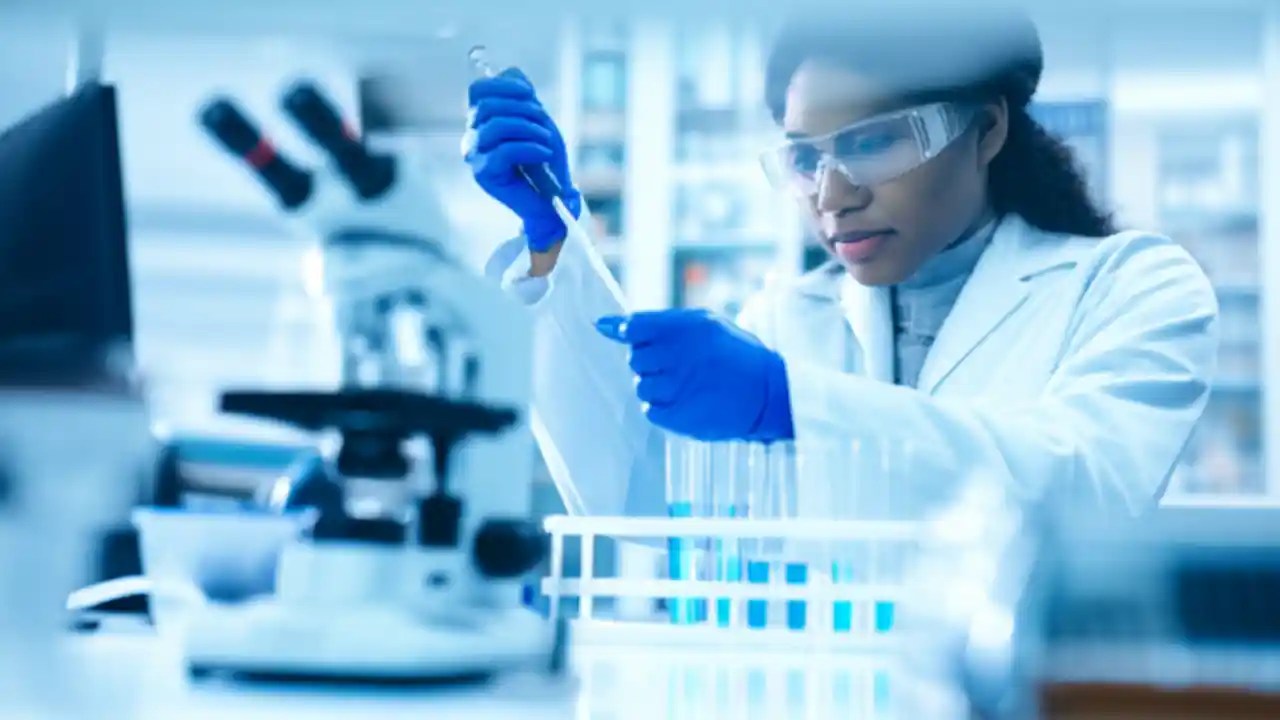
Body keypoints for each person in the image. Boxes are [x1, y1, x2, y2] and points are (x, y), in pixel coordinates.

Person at [464, 9, 1219, 519]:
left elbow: (1086, 489)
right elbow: (648, 500)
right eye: (803, 158)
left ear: (986, 129)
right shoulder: (787, 319)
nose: (832, 196)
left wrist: (794, 407)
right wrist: (553, 238)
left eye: (871, 142)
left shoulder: (1132, 286)